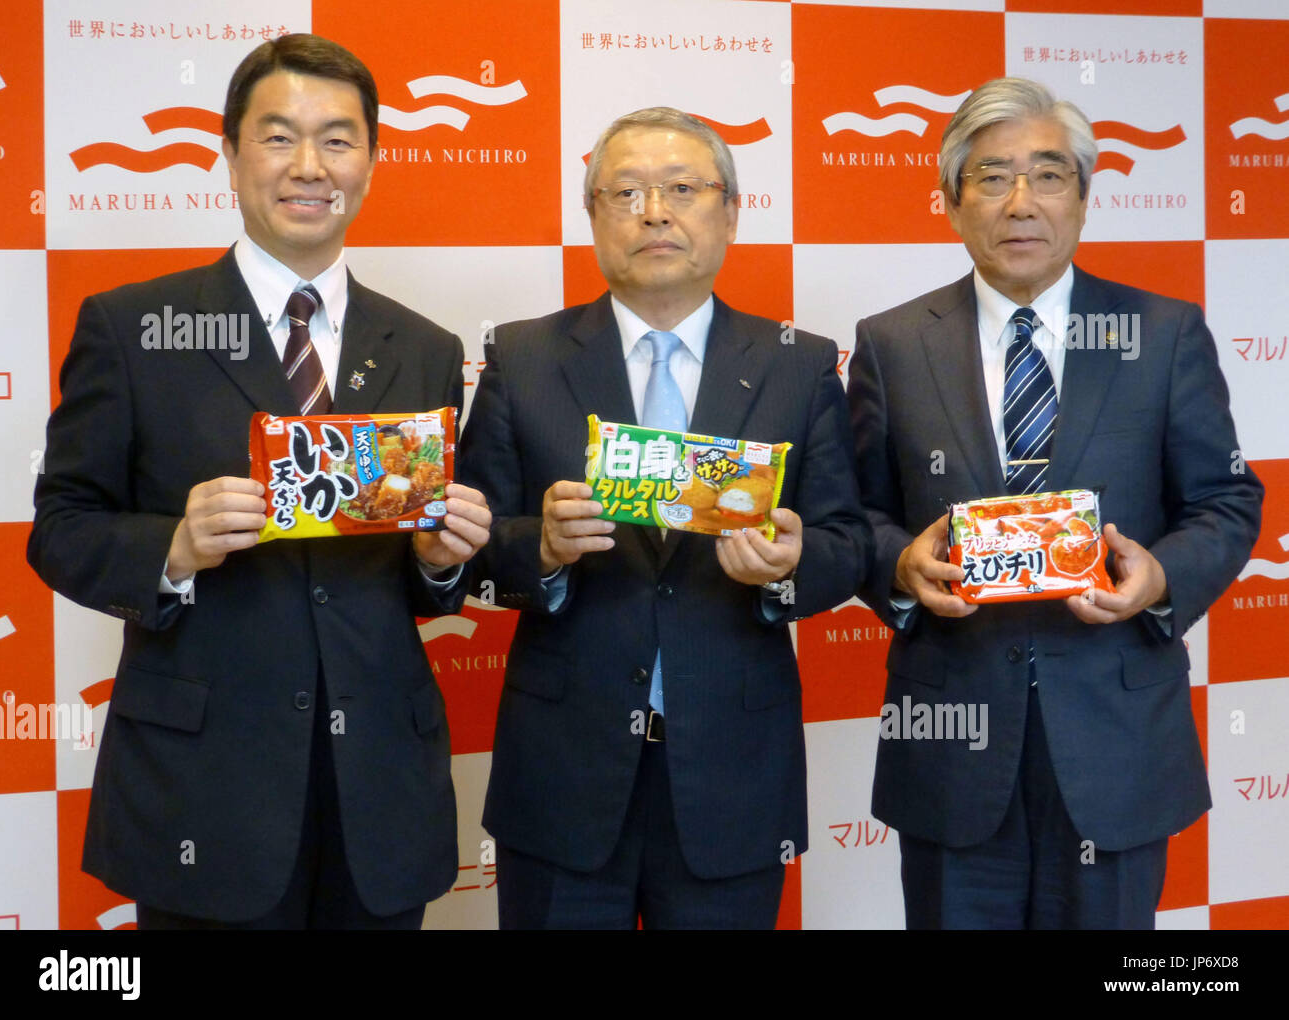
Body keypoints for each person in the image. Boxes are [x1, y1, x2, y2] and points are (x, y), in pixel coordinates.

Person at [27, 34, 491, 929]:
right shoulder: (134, 327)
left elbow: (427, 584)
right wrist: (173, 545)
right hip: (206, 788)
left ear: (373, 158)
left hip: (379, 791)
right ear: (230, 154)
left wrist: (438, 561)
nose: (309, 166)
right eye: (278, 137)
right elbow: (61, 527)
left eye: (338, 139)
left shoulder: (426, 348)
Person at [846, 77, 1263, 929]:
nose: (1022, 201)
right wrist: (897, 561)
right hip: (950, 744)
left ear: (1083, 196)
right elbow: (850, 518)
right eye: (993, 177)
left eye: (1049, 174)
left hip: (1115, 744)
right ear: (953, 201)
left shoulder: (1166, 332)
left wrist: (1160, 578)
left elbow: (1226, 500)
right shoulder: (890, 343)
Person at [460, 107, 868, 929]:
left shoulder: (799, 362)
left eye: (683, 188)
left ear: (730, 211)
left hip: (733, 776)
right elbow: (465, 543)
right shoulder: (522, 357)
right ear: (593, 215)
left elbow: (848, 541)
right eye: (628, 191)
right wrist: (536, 546)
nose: (655, 212)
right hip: (563, 772)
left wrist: (791, 565)